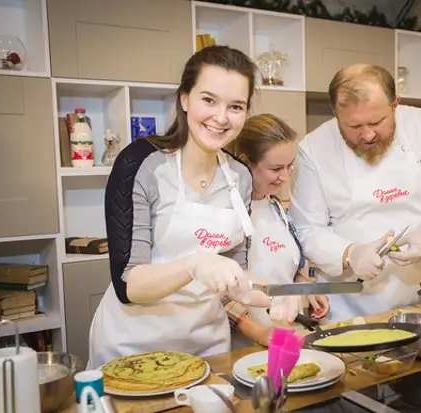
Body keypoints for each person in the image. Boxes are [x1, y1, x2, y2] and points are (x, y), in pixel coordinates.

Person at [88, 46, 301, 369]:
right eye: (208, 100)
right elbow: (128, 285)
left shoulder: (239, 177)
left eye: (235, 106)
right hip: (134, 345)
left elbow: (238, 278)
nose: (220, 117)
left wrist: (277, 293)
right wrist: (193, 266)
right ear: (185, 99)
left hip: (206, 346)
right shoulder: (140, 164)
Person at [288, 63, 421, 322]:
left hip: (420, 298)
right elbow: (307, 229)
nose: (367, 135)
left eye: (377, 122)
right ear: (336, 114)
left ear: (395, 104)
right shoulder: (313, 148)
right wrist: (349, 253)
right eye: (353, 126)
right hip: (346, 306)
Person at [227, 114, 331, 349]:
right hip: (244, 347)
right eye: (275, 168)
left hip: (284, 340)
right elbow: (216, 292)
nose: (285, 177)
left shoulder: (277, 209)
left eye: (290, 165)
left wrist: (305, 288)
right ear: (245, 162)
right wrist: (259, 332)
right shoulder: (227, 214)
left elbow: (286, 269)